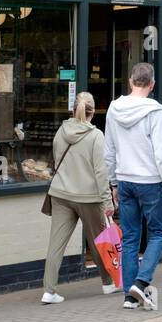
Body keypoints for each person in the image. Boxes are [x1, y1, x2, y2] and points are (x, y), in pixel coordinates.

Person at [104, 62, 162, 311]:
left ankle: (128, 296)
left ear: (130, 82)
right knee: (159, 232)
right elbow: (161, 154)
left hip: (124, 181)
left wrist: (113, 182)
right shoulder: (155, 111)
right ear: (152, 84)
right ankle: (141, 281)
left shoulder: (114, 109)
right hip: (150, 182)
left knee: (132, 237)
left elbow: (109, 150)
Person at [42, 92, 115, 304]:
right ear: (93, 112)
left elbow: (56, 159)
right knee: (98, 240)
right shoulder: (95, 136)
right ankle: (108, 283)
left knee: (55, 244)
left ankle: (49, 290)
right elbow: (101, 172)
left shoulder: (61, 130)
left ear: (73, 110)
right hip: (88, 197)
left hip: (60, 194)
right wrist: (108, 201)